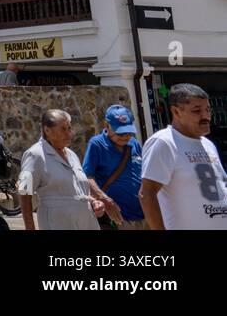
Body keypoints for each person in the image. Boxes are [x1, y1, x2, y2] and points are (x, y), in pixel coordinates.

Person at [140, 83, 227, 230]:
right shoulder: (164, 142)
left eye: (207, 110)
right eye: (197, 111)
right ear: (176, 112)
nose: (205, 116)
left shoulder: (208, 145)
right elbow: (147, 193)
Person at [18, 109, 111, 230]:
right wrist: (30, 227)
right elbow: (24, 192)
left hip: (86, 223)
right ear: (47, 130)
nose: (70, 134)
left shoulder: (71, 155)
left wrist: (94, 202)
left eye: (69, 128)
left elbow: (77, 190)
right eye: (63, 129)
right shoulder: (34, 155)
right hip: (57, 223)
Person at [82, 104, 145, 229]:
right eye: (120, 133)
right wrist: (104, 199)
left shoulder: (134, 143)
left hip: (143, 214)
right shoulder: (97, 144)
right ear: (107, 125)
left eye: (128, 132)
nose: (125, 136)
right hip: (118, 218)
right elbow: (87, 175)